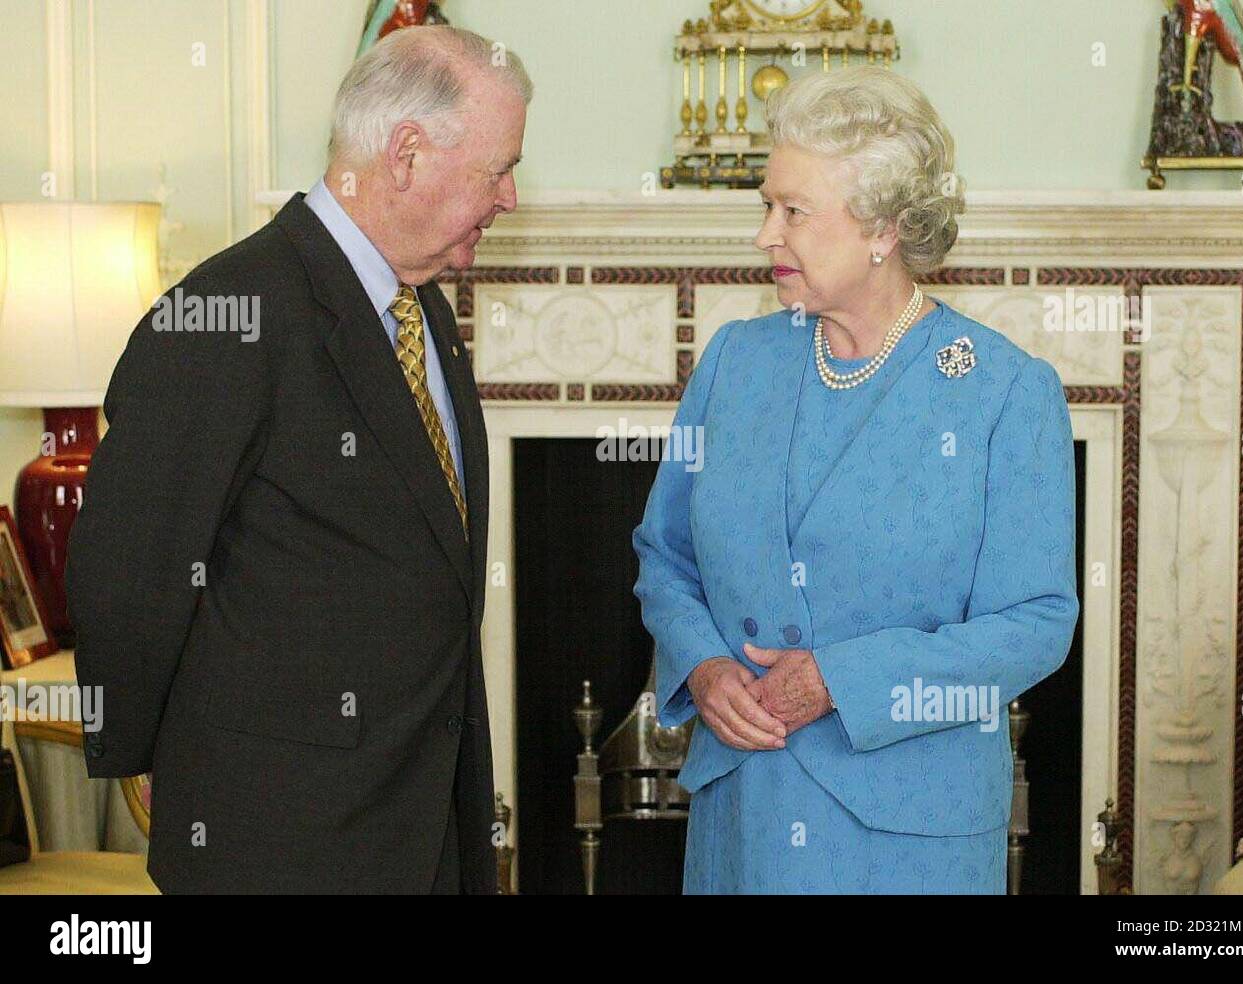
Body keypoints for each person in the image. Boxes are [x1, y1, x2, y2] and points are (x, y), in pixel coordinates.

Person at [66, 25, 531, 893]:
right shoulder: (226, 315)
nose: (509, 197)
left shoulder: (421, 308)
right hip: (278, 832)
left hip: (423, 822)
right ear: (406, 156)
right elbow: (130, 572)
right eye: (497, 168)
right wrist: (152, 757)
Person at [633, 65, 1079, 894]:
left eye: (792, 211)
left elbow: (1037, 623)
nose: (766, 235)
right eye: (765, 206)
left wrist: (843, 680)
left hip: (910, 831)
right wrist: (701, 665)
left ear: (885, 226)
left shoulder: (1003, 391)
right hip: (743, 812)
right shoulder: (736, 362)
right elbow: (664, 555)